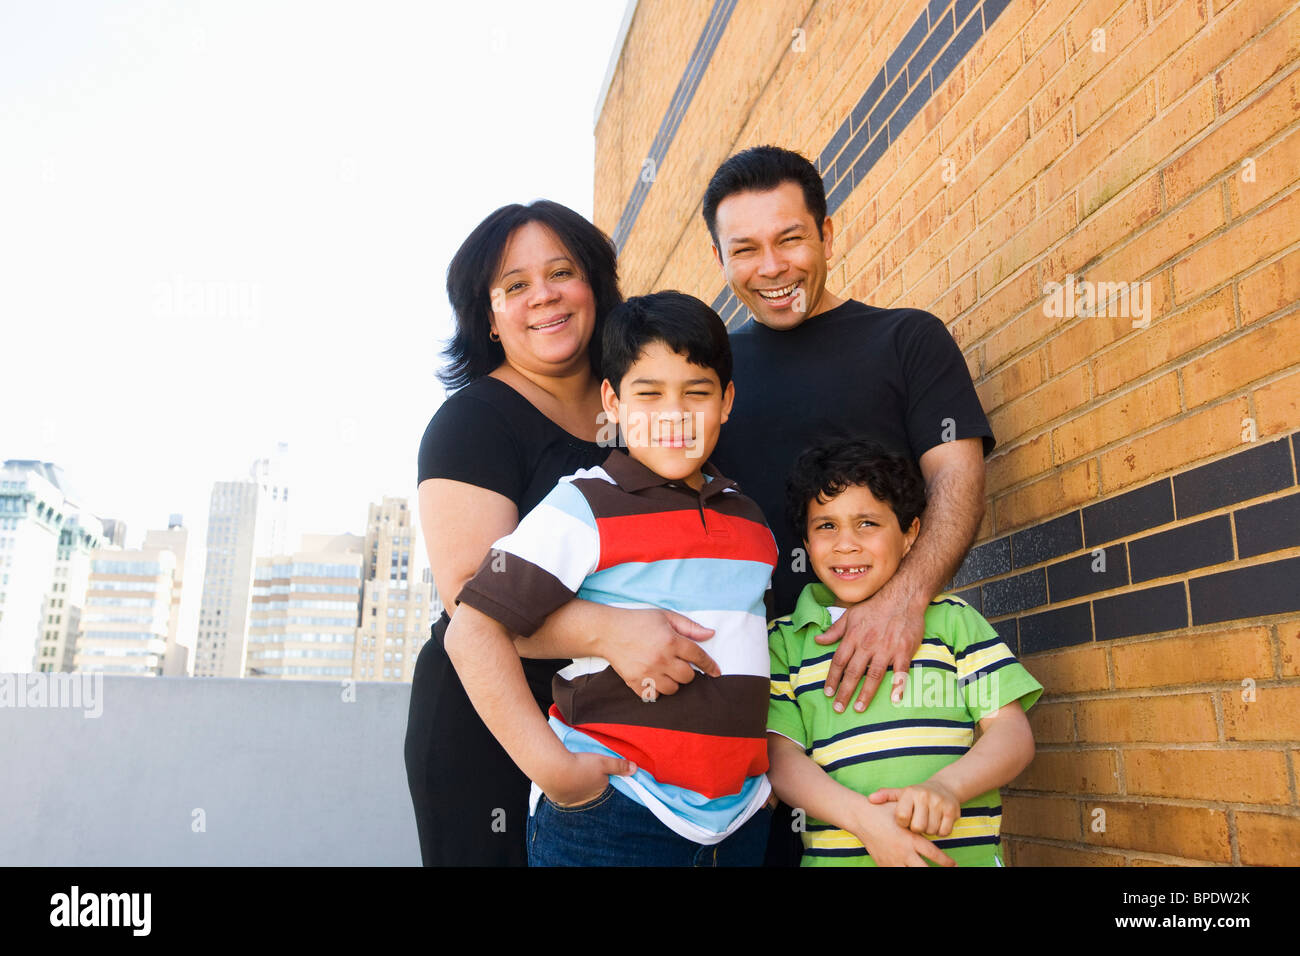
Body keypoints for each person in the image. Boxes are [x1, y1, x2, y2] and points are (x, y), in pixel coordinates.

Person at [702, 145, 996, 865]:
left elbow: (959, 477)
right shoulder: (715, 376)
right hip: (757, 702)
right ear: (721, 258)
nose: (771, 268)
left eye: (790, 239)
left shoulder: (907, 340)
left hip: (898, 687)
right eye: (745, 249)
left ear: (828, 235)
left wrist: (906, 597)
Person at [444, 291, 777, 865]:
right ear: (612, 402)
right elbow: (470, 631)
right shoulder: (581, 505)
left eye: (696, 392)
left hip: (739, 823)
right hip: (615, 813)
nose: (674, 415)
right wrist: (555, 771)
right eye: (648, 394)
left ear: (726, 401)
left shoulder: (751, 521)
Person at [404, 199, 623, 867]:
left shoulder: (640, 404)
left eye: (562, 272)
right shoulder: (472, 424)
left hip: (614, 727)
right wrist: (619, 632)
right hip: (488, 729)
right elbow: (472, 598)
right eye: (516, 286)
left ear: (595, 285)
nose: (544, 296)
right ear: (489, 317)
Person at [766, 438, 1040, 866]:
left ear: (911, 533)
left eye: (867, 524)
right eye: (826, 526)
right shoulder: (786, 641)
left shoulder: (952, 621)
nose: (846, 544)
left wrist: (949, 787)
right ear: (805, 538)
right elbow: (780, 759)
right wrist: (865, 821)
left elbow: (1013, 734)